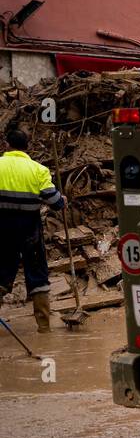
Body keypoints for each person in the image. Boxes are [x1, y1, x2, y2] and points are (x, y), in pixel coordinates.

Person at [0, 127, 64, 333]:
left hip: (2, 230)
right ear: (27, 148)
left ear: (6, 146)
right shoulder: (38, 170)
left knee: (1, 272)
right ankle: (44, 328)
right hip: (30, 231)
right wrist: (62, 200)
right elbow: (54, 201)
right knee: (36, 272)